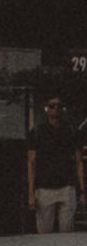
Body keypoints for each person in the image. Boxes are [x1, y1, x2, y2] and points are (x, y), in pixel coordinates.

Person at [32, 93, 83, 232]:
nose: (56, 109)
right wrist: (31, 193)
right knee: (44, 233)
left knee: (67, 233)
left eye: (59, 106)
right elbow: (31, 162)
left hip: (67, 186)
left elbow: (79, 161)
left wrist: (82, 190)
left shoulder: (71, 130)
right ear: (46, 108)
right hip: (44, 187)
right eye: (52, 105)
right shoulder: (38, 132)